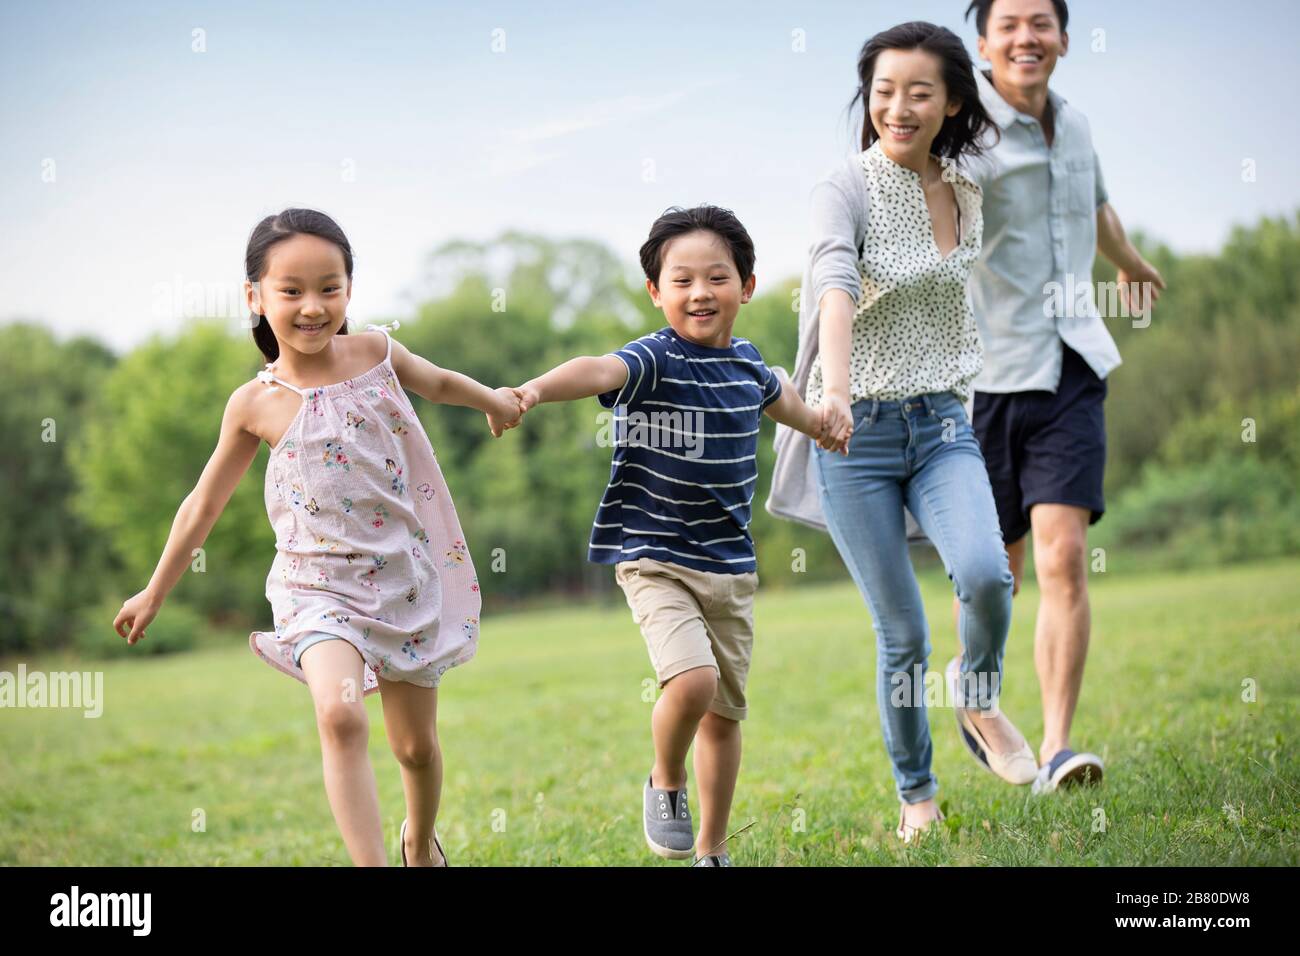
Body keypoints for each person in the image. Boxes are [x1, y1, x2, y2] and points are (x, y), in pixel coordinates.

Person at [112, 208, 524, 866]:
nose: (312, 307)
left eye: (329, 288)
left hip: (402, 580)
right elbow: (202, 504)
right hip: (316, 589)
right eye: (292, 291)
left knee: (415, 749)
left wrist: (494, 402)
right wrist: (155, 590)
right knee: (340, 716)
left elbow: (441, 383)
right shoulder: (255, 403)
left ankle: (419, 839)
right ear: (255, 297)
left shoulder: (376, 354)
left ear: (349, 290)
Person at [772, 20, 1038, 845]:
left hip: (941, 419)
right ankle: (917, 794)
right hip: (850, 433)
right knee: (903, 632)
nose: (899, 106)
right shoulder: (842, 189)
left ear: (951, 100)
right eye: (884, 91)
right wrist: (838, 394)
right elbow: (835, 286)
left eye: (919, 91)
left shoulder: (965, 187)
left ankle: (979, 692)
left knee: (989, 576)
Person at [512, 205, 826, 865]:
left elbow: (787, 400)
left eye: (717, 277)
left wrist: (825, 425)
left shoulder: (749, 366)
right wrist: (533, 392)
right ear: (656, 292)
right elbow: (597, 370)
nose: (700, 293)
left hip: (731, 567)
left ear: (747, 284)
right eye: (681, 281)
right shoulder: (654, 359)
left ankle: (711, 849)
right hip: (655, 558)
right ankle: (665, 778)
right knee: (692, 684)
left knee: (725, 714)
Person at [958, 0, 1166, 793]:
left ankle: (1054, 749)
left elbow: (1096, 204)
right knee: (991, 573)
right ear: (983, 43)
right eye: (1008, 23)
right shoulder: (962, 129)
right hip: (983, 378)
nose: (1026, 37)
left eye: (1040, 22)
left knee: (1065, 557)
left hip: (1073, 362)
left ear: (1064, 40)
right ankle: (976, 698)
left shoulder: (1075, 125)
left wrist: (1132, 263)